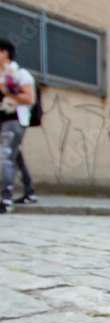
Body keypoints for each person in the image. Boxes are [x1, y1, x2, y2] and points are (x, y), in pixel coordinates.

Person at [0, 38, 36, 213]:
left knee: (6, 157)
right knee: (15, 157)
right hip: (2, 121)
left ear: (3, 53)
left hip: (13, 121)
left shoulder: (20, 74)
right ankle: (29, 192)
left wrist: (7, 91)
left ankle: (5, 200)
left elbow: (30, 99)